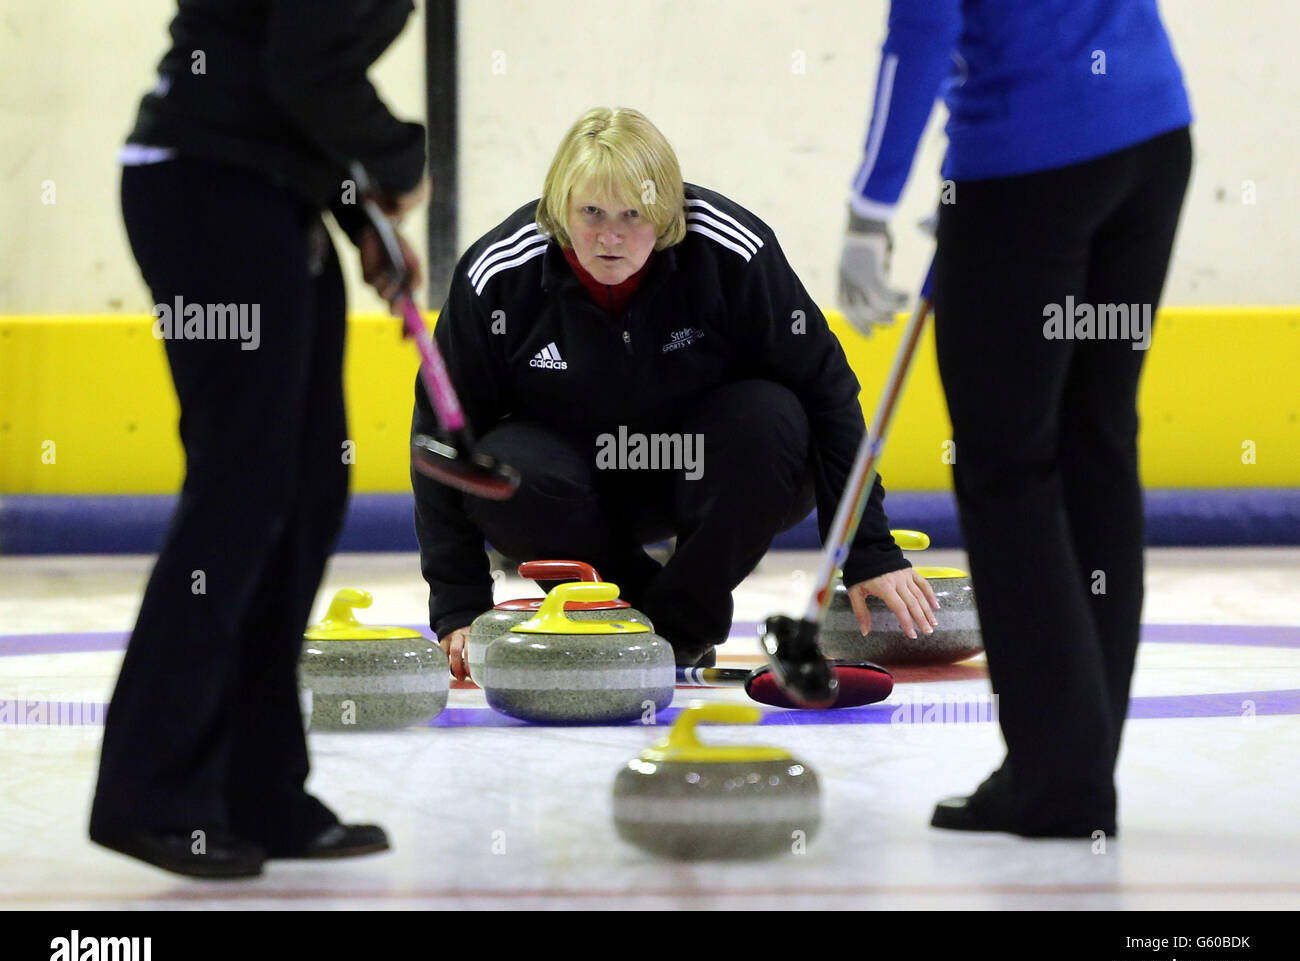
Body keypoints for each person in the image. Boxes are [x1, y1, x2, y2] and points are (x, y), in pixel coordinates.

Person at [415, 106, 940, 681]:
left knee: (775, 416)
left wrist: (869, 552)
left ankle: (680, 627)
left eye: (632, 215)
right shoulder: (498, 275)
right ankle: (650, 620)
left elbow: (829, 395)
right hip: (570, 488)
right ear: (560, 207)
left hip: (703, 475)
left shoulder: (731, 252)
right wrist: (459, 604)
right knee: (500, 472)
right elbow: (440, 442)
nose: (609, 236)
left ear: (665, 215)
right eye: (590, 212)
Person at [90, 0, 428, 878]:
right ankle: (150, 791)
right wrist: (401, 161)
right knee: (242, 489)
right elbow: (303, 69)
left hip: (265, 187)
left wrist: (365, 219)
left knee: (310, 488)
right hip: (208, 187)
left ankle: (258, 790)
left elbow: (293, 85)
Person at [839, 0, 1193, 837]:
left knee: (1008, 468)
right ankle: (1075, 761)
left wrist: (871, 206)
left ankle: (1056, 777)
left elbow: (920, 31)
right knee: (1096, 443)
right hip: (1151, 135)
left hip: (1032, 161)